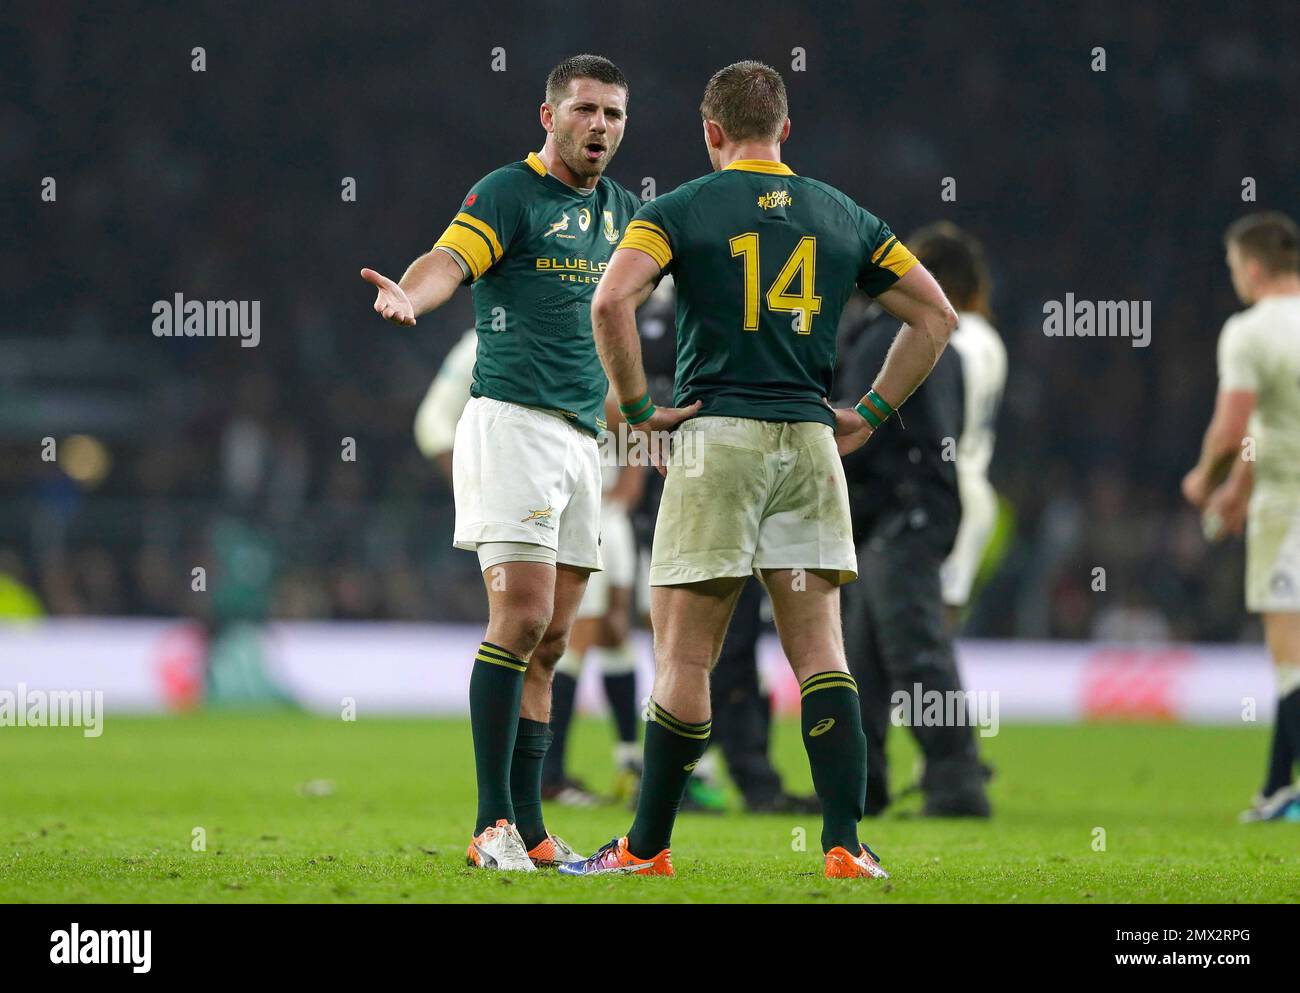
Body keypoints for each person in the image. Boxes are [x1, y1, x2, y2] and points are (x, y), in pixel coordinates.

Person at [564, 60, 957, 880]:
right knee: (820, 652)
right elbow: (935, 315)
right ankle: (846, 845)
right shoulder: (841, 213)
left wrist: (635, 407)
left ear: (711, 131)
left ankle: (646, 847)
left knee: (685, 654)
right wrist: (870, 411)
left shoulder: (679, 208)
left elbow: (609, 303)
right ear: (785, 129)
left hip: (718, 438)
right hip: (810, 441)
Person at [362, 55, 643, 871]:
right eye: (585, 109)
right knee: (519, 620)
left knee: (554, 640)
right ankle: (491, 825)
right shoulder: (508, 192)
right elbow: (447, 261)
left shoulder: (625, 211)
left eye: (614, 113)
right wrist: (410, 293)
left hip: (584, 442)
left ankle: (532, 826)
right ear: (548, 116)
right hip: (513, 423)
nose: (599, 125)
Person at [838, 222, 996, 818]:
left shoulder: (887, 335)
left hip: (900, 513)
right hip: (906, 511)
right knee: (866, 657)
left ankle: (956, 782)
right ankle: (864, 786)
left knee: (914, 651)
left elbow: (861, 432)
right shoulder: (927, 337)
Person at [1183, 210, 1300, 823]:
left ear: (1252, 269)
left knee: (1291, 655)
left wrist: (1206, 479)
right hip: (1273, 488)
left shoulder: (1250, 331)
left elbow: (1233, 430)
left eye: (1233, 267)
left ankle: (1281, 789)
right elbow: (1272, 428)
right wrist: (1238, 490)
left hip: (1289, 507)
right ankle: (1278, 788)